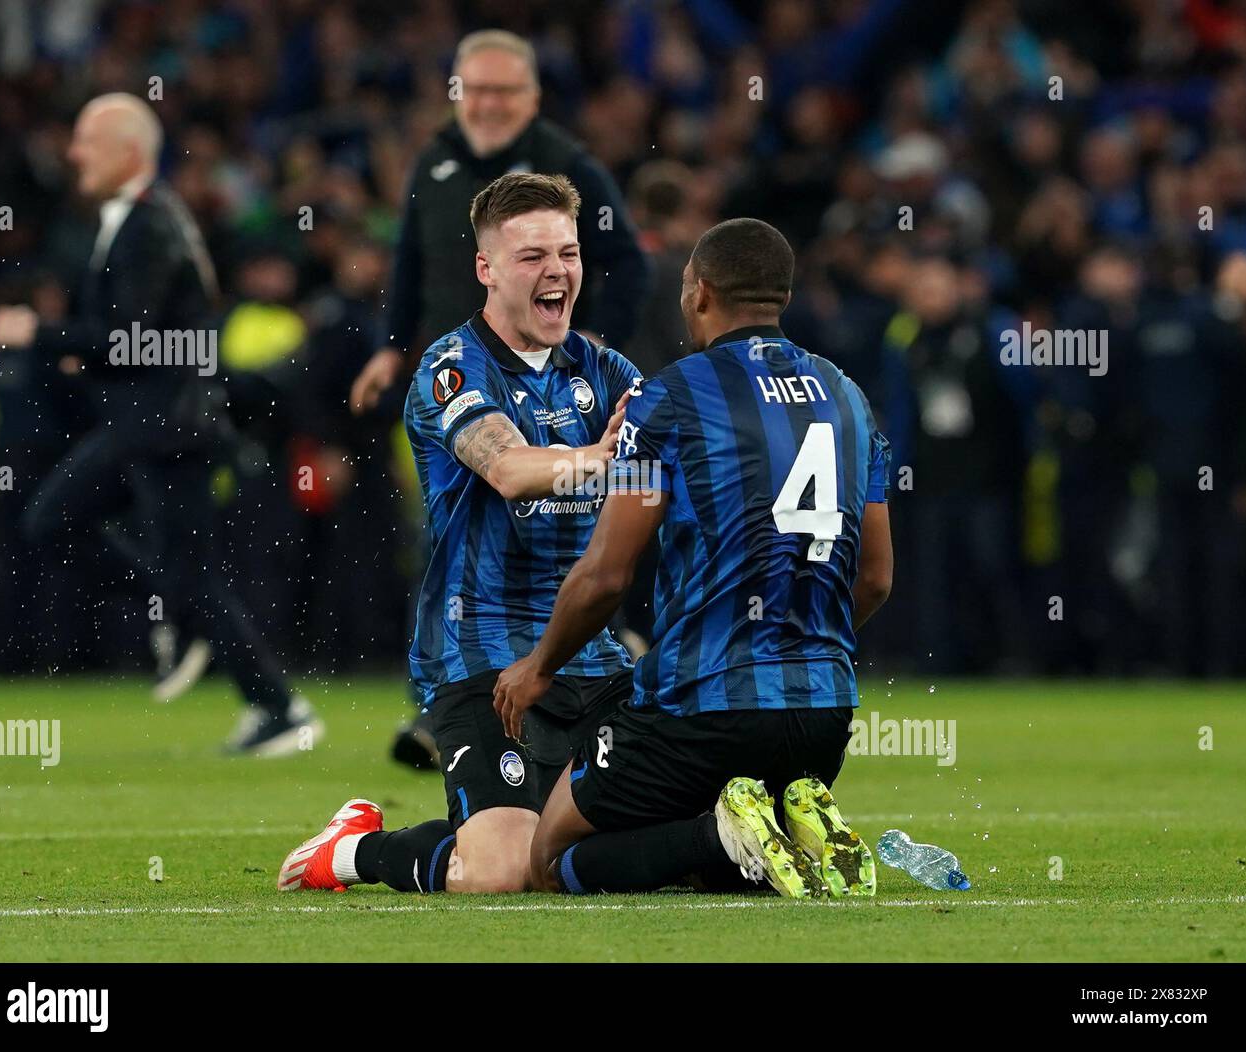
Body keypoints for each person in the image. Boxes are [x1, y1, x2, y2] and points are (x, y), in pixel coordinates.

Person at [492, 218, 893, 898]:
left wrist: (538, 667)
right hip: (824, 719)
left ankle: (721, 834)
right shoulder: (849, 397)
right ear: (783, 297)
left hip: (704, 704)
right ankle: (784, 830)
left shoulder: (665, 399)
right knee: (710, 864)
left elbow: (605, 576)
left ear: (700, 293)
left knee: (551, 858)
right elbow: (877, 578)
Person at [278, 173, 642, 894]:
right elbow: (507, 469)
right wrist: (603, 459)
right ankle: (355, 851)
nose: (557, 271)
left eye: (567, 254)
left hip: (593, 656)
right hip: (482, 653)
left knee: (644, 843)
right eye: (532, 255)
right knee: (504, 874)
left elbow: (658, 491)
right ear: (487, 269)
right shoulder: (452, 367)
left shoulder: (606, 371)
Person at [349, 29, 651, 771]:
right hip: (467, 390)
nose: (484, 104)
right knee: (458, 530)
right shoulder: (438, 160)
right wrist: (393, 344)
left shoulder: (568, 166)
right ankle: (451, 697)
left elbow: (631, 266)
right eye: (472, 89)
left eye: (501, 91)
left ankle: (614, 655)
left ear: (532, 97)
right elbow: (409, 257)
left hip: (557, 389)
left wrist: (581, 358)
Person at [0, 93, 321, 755]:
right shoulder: (138, 220)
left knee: (76, 529)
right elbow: (145, 338)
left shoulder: (151, 223)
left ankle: (274, 701)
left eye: (88, 139)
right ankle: (236, 666)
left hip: (170, 429)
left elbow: (127, 337)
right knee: (84, 534)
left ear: (128, 151)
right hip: (155, 423)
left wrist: (40, 332)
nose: (74, 151)